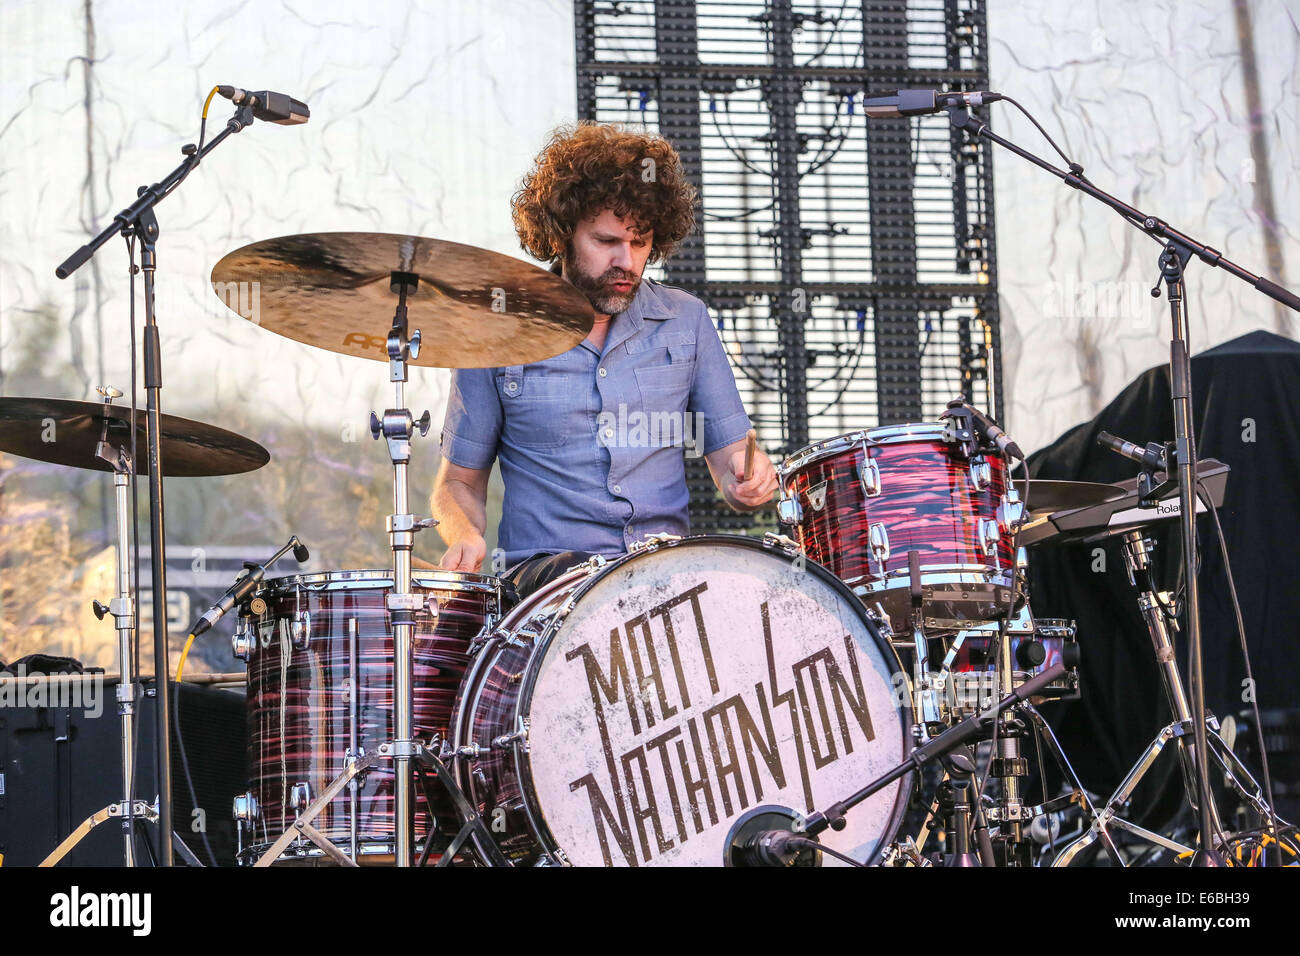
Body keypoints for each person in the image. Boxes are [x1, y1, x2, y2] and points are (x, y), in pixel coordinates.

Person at [432, 122, 777, 596]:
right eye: (606, 241)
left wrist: (748, 479)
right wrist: (466, 536)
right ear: (560, 236)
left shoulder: (687, 320)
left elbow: (730, 456)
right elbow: (458, 485)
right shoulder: (494, 333)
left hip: (666, 579)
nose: (627, 262)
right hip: (545, 586)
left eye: (640, 243)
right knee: (576, 577)